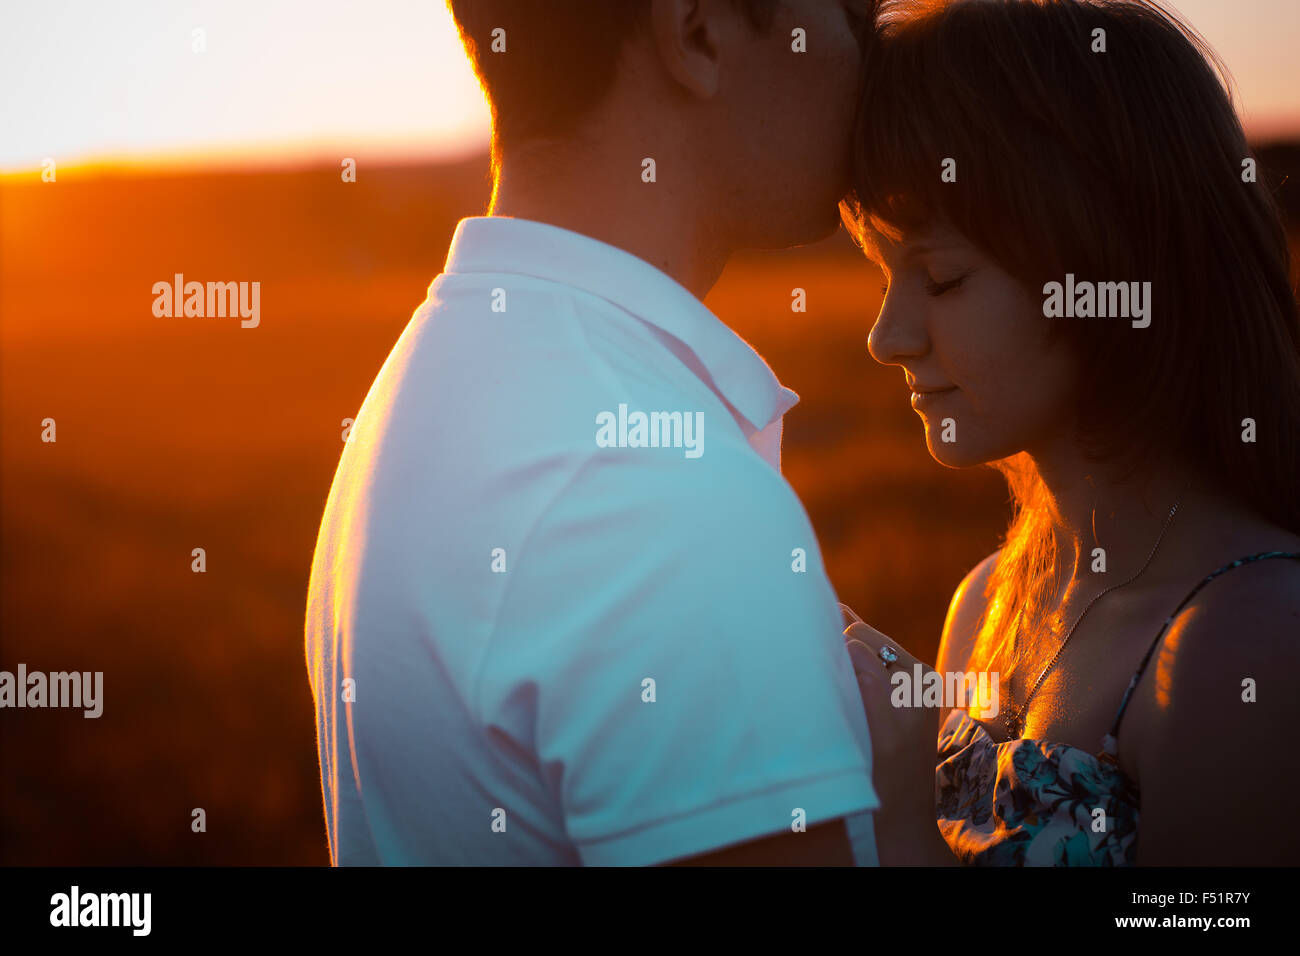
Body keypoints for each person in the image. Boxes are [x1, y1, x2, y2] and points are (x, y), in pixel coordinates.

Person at [304, 0, 884, 865]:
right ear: (697, 31)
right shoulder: (660, 495)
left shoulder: (414, 391)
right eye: (853, 9)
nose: (872, 46)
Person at [839, 0, 1300, 865]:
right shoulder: (987, 601)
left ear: (1104, 266)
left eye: (941, 277)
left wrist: (900, 824)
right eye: (880, 273)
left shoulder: (1249, 641)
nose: (886, 336)